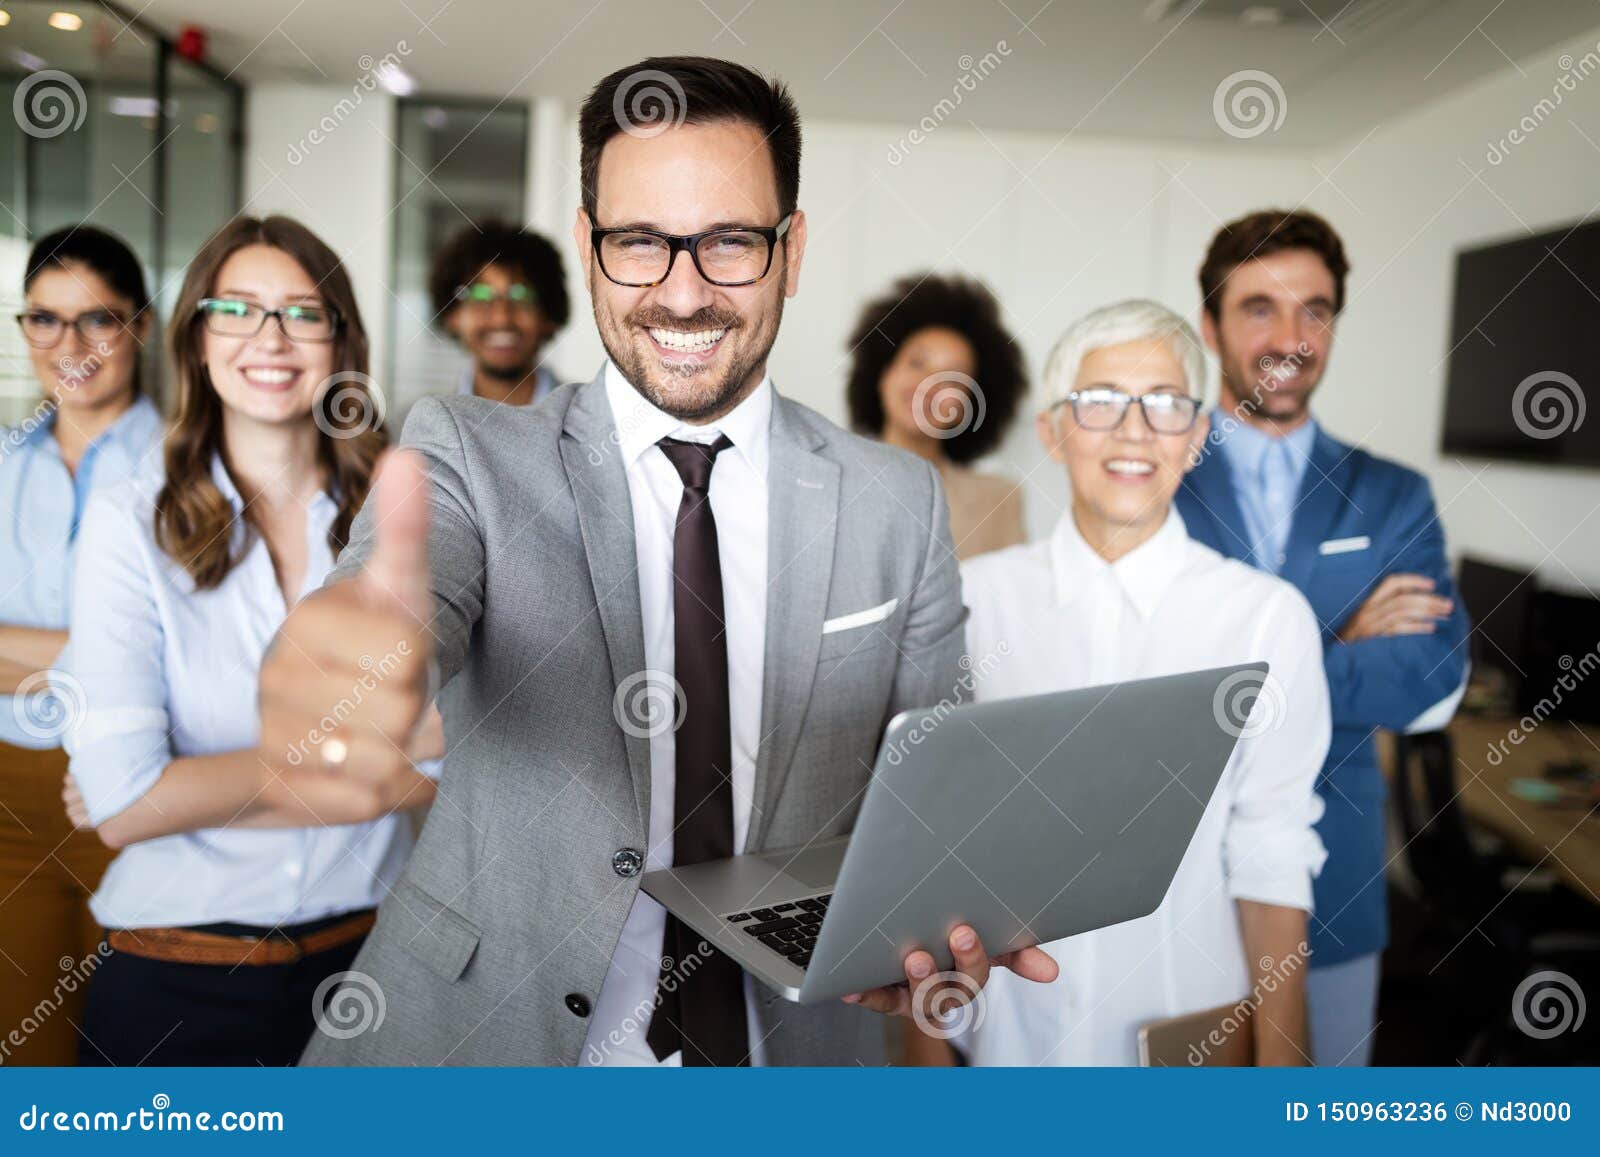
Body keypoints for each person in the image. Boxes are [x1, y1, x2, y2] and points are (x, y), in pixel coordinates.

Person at [257, 55, 1056, 1068]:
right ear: (590, 247)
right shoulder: (465, 449)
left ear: (791, 248)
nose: (682, 295)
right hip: (480, 1043)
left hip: (792, 1047)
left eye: (728, 242)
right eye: (639, 242)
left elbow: (931, 784)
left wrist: (935, 911)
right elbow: (404, 597)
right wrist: (363, 655)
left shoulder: (896, 499)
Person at [907, 300, 1330, 1066]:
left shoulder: (1265, 620)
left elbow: (1272, 855)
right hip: (1008, 1046)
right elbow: (922, 849)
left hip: (1186, 1047)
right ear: (1053, 430)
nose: (1134, 430)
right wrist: (923, 1066)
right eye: (1100, 402)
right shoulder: (972, 601)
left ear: (1197, 436)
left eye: (1166, 404)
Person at [61, 215, 439, 1066]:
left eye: (303, 313)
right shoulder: (128, 522)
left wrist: (197, 785)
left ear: (341, 341)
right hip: (174, 976)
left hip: (370, 972)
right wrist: (362, 762)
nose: (270, 338)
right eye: (238, 308)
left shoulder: (401, 520)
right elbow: (121, 804)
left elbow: (454, 756)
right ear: (197, 337)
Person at [1174, 209, 1469, 1066]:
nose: (1291, 336)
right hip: (1169, 875)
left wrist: (1249, 677)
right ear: (1212, 324)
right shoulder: (1151, 470)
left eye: (1317, 309)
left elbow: (1433, 675)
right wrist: (1342, 639)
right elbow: (1143, 675)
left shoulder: (1393, 494)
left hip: (1335, 880)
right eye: (1260, 306)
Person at [0, 225, 163, 1065]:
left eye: (96, 318)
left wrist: (22, 657)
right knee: (22, 1048)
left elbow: (174, 660)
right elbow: (123, 655)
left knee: (133, 1048)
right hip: (8, 798)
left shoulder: (187, 466)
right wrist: (98, 656)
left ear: (139, 325)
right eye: (44, 320)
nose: (70, 345)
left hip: (133, 787)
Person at [846, 273, 1028, 558]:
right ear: (882, 373)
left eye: (953, 378)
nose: (929, 384)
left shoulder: (999, 500)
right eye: (917, 363)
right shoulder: (829, 480)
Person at [427, 219, 570, 406]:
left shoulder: (597, 425)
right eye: (480, 296)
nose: (502, 319)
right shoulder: (412, 427)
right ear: (452, 315)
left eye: (521, 296)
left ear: (549, 315)